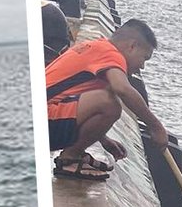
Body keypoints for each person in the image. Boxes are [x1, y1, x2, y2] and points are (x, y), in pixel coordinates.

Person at [45, 18, 170, 181]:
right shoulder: (111, 54)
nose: (142, 67)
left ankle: (74, 154)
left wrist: (101, 137)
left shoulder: (95, 47)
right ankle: (70, 159)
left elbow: (74, 96)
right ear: (132, 46)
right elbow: (123, 89)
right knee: (110, 103)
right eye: (144, 58)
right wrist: (156, 127)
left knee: (104, 94)